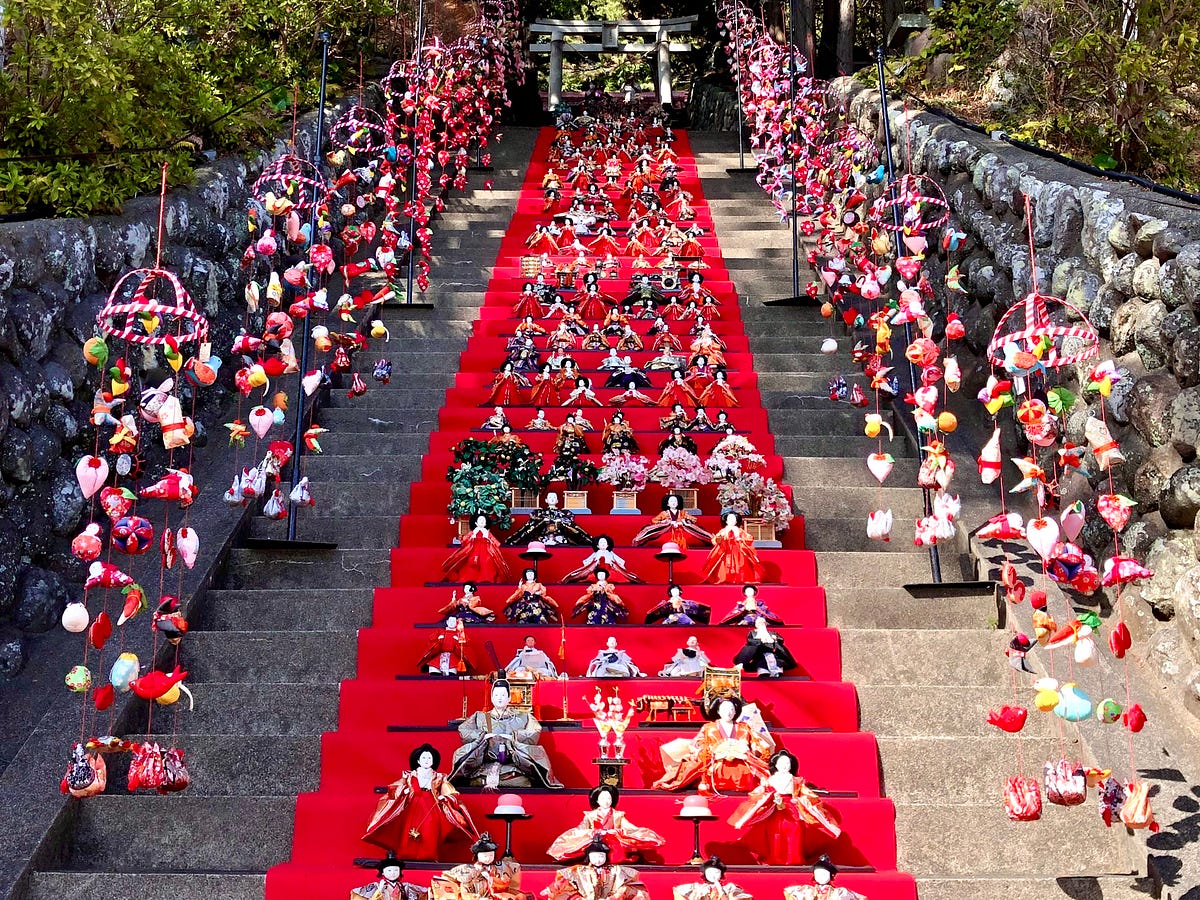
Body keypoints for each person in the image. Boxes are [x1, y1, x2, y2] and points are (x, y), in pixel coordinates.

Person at [363, 744, 478, 860]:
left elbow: (449, 791)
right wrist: (404, 790)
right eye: (423, 758)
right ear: (418, 760)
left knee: (431, 827)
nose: (427, 760)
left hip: (430, 803)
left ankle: (429, 855)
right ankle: (406, 854)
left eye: (429, 758)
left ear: (434, 761)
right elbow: (395, 788)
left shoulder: (440, 777)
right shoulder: (409, 775)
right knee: (408, 828)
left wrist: (445, 797)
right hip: (413, 803)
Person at [729, 749, 841, 866]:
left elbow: (808, 795)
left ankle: (795, 859)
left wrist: (798, 800)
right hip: (774, 809)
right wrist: (768, 796)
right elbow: (756, 794)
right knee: (775, 833)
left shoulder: (797, 781)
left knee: (794, 832)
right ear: (775, 765)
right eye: (781, 763)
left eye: (787, 763)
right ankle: (775, 859)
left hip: (792, 809)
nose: (784, 766)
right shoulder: (769, 780)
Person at [449, 679, 563, 789]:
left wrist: (514, 737)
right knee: (474, 774)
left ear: (509, 698)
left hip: (513, 766)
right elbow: (464, 730)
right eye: (496, 695)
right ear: (492, 698)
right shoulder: (482, 717)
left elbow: (534, 730)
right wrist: (482, 736)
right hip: (485, 764)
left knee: (522, 779)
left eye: (503, 695)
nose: (499, 698)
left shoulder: (522, 717)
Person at [652, 695, 774, 794]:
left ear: (736, 711)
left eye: (732, 709)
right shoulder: (709, 728)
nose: (729, 712)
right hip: (715, 761)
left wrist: (745, 751)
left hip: (741, 760)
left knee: (756, 773)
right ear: (718, 711)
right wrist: (713, 751)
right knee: (703, 768)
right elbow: (697, 744)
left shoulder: (744, 728)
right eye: (725, 709)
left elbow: (758, 745)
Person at [547, 785, 665, 863]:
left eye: (609, 798)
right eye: (603, 798)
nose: (606, 801)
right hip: (595, 842)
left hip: (613, 841)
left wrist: (617, 831)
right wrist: (593, 832)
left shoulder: (618, 815)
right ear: (597, 800)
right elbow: (580, 829)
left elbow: (630, 828)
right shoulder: (590, 815)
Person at [540, 835, 651, 900]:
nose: (598, 859)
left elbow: (632, 888)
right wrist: (552, 889)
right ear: (588, 857)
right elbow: (563, 885)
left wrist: (615, 897)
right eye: (594, 856)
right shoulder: (577, 871)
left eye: (601, 856)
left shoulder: (617, 870)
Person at [431, 834, 524, 900]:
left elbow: (513, 871)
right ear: (477, 856)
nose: (488, 858)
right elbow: (447, 879)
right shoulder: (465, 869)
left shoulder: (499, 868)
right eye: (485, 856)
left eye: (491, 856)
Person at [504, 492, 594, 547]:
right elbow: (533, 522)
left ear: (557, 500)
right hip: (542, 537)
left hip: (561, 537)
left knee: (570, 525)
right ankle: (514, 541)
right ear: (546, 500)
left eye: (554, 497)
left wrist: (560, 522)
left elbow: (569, 521)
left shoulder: (565, 513)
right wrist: (543, 521)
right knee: (532, 524)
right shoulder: (539, 512)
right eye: (550, 497)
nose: (552, 499)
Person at [442, 516, 511, 583]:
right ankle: (470, 578)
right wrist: (472, 538)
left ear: (486, 523)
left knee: (487, 562)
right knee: (470, 563)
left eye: (483, 521)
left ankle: (486, 578)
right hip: (473, 550)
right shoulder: (473, 532)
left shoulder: (487, 532)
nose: (481, 522)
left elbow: (496, 543)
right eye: (480, 520)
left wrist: (488, 539)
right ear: (476, 523)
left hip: (486, 551)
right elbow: (464, 540)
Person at [632, 493, 713, 550]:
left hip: (682, 531)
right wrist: (666, 522)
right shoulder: (664, 513)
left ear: (678, 503)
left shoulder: (682, 512)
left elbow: (694, 519)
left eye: (675, 501)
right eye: (671, 501)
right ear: (667, 504)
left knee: (689, 539)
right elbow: (654, 520)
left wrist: (683, 522)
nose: (673, 503)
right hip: (667, 531)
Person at [702, 513, 765, 584]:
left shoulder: (740, 530)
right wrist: (719, 539)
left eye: (733, 519)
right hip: (726, 549)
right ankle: (724, 578)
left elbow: (749, 538)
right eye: (729, 519)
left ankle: (740, 578)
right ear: (726, 521)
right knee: (723, 564)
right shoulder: (723, 531)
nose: (732, 520)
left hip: (738, 550)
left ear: (736, 521)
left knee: (741, 564)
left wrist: (740, 539)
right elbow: (715, 540)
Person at [734, 617, 798, 677]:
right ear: (756, 625)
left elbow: (781, 639)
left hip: (773, 651)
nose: (761, 624)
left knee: (777, 664)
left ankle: (777, 672)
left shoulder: (772, 633)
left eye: (763, 623)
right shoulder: (753, 633)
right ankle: (763, 672)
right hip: (760, 652)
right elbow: (750, 640)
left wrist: (775, 639)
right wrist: (759, 640)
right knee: (762, 667)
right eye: (759, 623)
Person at [564, 534, 643, 583]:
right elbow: (588, 562)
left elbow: (619, 562)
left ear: (608, 545)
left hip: (609, 569)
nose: (603, 544)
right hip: (597, 570)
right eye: (601, 543)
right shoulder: (596, 553)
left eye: (604, 542)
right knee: (591, 577)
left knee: (617, 578)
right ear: (597, 545)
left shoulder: (610, 553)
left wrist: (620, 568)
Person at [352, 852, 430, 900]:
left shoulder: (405, 886)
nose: (393, 873)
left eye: (396, 870)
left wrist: (430, 891)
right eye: (389, 870)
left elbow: (423, 892)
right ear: (383, 872)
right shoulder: (376, 886)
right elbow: (357, 893)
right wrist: (379, 890)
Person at [782, 857, 866, 900]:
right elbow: (788, 892)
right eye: (817, 874)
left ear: (831, 875)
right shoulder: (807, 890)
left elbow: (862, 898)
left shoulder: (839, 893)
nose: (821, 876)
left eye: (824, 874)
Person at [671, 857, 753, 900]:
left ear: (721, 874)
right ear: (705, 874)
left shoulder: (730, 888)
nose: (713, 875)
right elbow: (679, 892)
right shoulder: (696, 888)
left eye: (716, 873)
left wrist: (720, 890)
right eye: (709, 873)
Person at [717, 584, 784, 626]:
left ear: (754, 592)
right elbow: (734, 613)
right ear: (744, 593)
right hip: (745, 617)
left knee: (760, 621)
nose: (749, 593)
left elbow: (765, 612)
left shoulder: (759, 603)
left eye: (751, 591)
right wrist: (742, 609)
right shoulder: (742, 604)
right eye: (747, 591)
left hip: (758, 617)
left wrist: (758, 609)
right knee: (744, 622)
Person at [645, 584, 711, 625]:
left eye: (676, 590)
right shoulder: (665, 602)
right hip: (670, 617)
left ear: (680, 592)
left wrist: (683, 604)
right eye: (673, 591)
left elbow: (695, 607)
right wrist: (668, 604)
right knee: (664, 625)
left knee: (691, 624)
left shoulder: (686, 602)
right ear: (670, 593)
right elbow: (658, 610)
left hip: (682, 616)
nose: (675, 592)